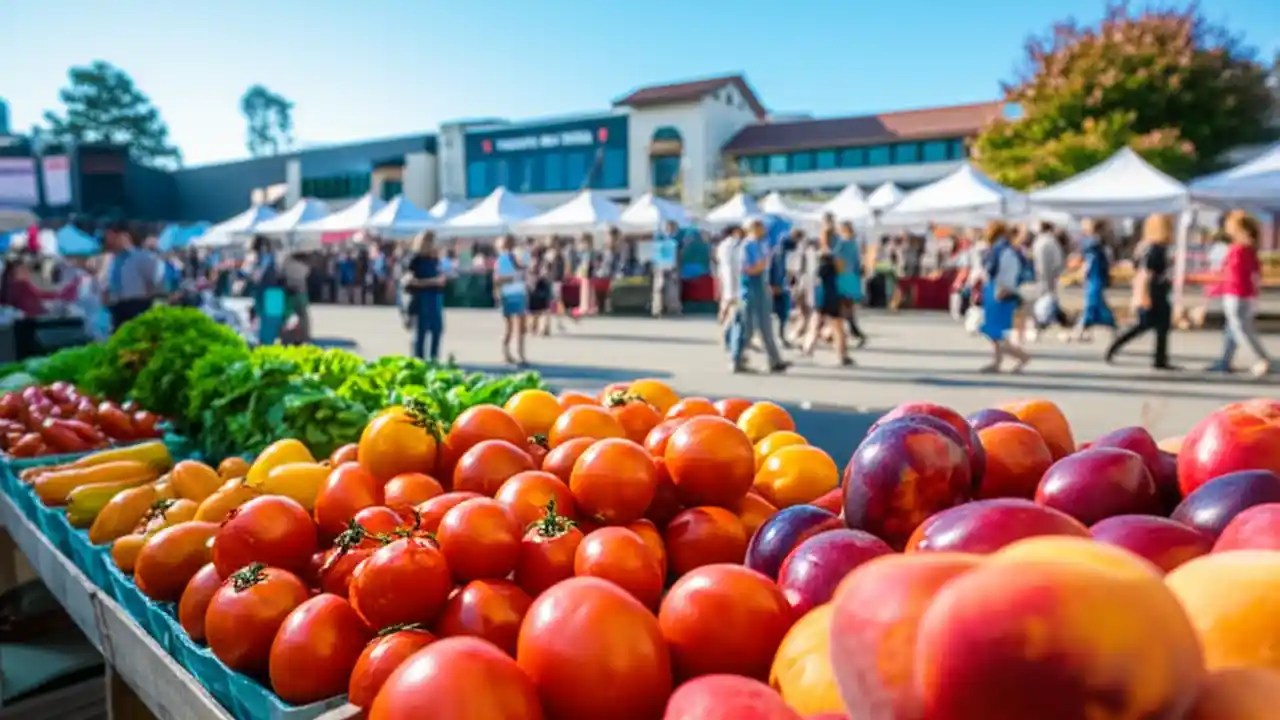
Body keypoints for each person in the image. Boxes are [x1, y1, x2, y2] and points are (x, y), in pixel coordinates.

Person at [1106, 214, 1176, 370]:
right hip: (1154, 290)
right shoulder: (1154, 249)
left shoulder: (1146, 246)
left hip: (1156, 288)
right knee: (1147, 324)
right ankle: (1118, 344)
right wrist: (1144, 295)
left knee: (1160, 325)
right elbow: (1146, 273)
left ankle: (1160, 358)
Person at [1209, 211, 1271, 377]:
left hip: (1236, 293)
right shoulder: (1250, 249)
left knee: (1240, 329)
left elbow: (1230, 273)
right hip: (1246, 294)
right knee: (1232, 329)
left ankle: (1259, 359)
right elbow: (1256, 274)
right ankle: (1225, 361)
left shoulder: (1237, 249)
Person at [729, 219, 788, 374]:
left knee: (766, 326)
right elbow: (745, 269)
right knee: (746, 326)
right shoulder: (746, 246)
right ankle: (736, 359)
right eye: (759, 227)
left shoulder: (763, 245)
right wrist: (760, 266)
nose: (762, 230)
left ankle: (774, 360)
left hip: (762, 287)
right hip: (749, 288)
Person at [978, 221, 1031, 373]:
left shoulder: (999, 249)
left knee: (993, 330)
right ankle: (997, 361)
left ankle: (1021, 356)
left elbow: (992, 269)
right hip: (1005, 290)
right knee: (995, 331)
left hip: (998, 290)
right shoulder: (1012, 250)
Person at [802, 228, 853, 367]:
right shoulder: (839, 257)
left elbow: (817, 275)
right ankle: (842, 354)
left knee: (816, 321)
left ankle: (808, 347)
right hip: (833, 292)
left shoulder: (821, 255)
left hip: (822, 292)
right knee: (837, 326)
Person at [103, 222, 160, 329]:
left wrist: (145, 303)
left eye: (113, 236)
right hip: (117, 306)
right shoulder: (113, 260)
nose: (110, 240)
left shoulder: (142, 257)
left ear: (124, 236)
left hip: (137, 304)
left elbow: (152, 281)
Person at [403, 231, 447, 362]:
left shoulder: (435, 259)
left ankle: (434, 359)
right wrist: (431, 282)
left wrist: (440, 280)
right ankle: (419, 359)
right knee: (421, 332)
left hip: (436, 297)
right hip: (421, 298)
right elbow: (409, 281)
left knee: (437, 330)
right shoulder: (415, 259)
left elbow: (440, 277)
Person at [1073, 218, 1116, 342]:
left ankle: (1082, 328)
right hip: (1096, 276)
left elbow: (1089, 262)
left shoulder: (1092, 244)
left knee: (1093, 302)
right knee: (1096, 302)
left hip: (1094, 277)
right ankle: (1085, 327)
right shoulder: (1097, 244)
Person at [1028, 221, 1068, 341]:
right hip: (1049, 276)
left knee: (1043, 301)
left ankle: (1041, 324)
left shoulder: (1040, 242)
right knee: (1048, 300)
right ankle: (1048, 323)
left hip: (1041, 276)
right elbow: (1058, 261)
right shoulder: (1051, 242)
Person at [494, 234, 528, 366]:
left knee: (517, 326)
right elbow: (498, 279)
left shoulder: (516, 257)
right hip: (512, 293)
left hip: (515, 292)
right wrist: (512, 278)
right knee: (513, 326)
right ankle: (512, 353)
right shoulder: (503, 259)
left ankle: (515, 353)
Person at [834, 221, 868, 347]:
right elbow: (857, 262)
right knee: (848, 306)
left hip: (844, 277)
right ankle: (855, 332)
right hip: (852, 277)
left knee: (843, 307)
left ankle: (854, 332)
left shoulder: (842, 243)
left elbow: (836, 258)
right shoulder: (854, 243)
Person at [715, 226, 744, 348]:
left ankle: (725, 335)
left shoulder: (723, 246)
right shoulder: (731, 246)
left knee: (727, 309)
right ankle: (726, 336)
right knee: (731, 310)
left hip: (728, 281)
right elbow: (731, 267)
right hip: (732, 283)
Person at [769, 229, 796, 346]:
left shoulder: (783, 252)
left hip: (783, 286)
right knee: (776, 313)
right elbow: (773, 270)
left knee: (782, 314)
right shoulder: (778, 253)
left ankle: (780, 336)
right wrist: (774, 285)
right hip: (778, 286)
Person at [652, 221, 681, 318]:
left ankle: (672, 308)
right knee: (659, 288)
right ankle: (657, 309)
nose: (669, 229)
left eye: (671, 227)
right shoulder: (659, 238)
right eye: (668, 227)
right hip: (660, 266)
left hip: (672, 266)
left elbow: (678, 254)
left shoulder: (676, 240)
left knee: (672, 288)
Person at [575, 233, 597, 317]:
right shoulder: (588, 252)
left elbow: (586, 264)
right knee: (587, 290)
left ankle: (585, 307)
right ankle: (588, 307)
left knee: (586, 290)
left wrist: (581, 273)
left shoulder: (589, 252)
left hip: (587, 273)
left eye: (583, 242)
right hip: (588, 274)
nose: (582, 244)